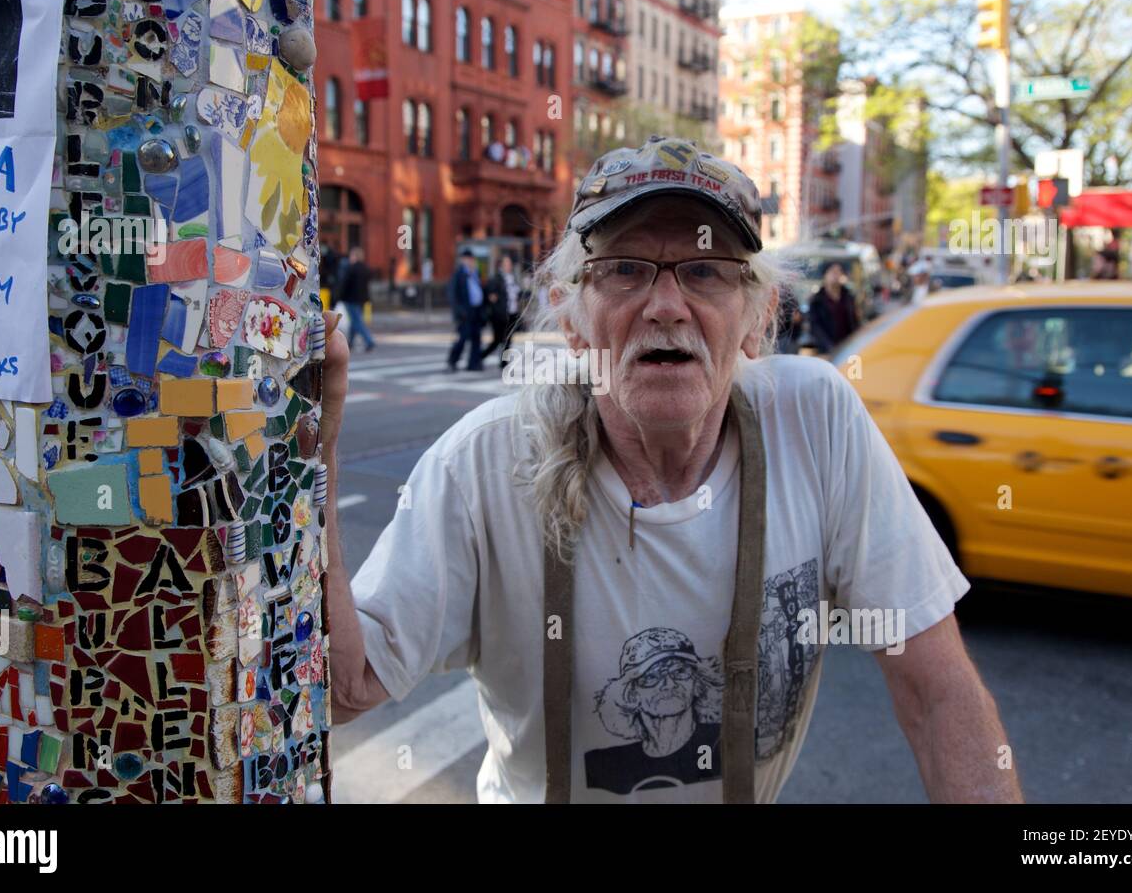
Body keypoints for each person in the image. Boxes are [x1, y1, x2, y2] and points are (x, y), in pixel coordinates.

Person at [321, 135, 1021, 803]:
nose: (664, 305)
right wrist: (310, 457)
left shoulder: (816, 421)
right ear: (571, 316)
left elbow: (937, 696)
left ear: (756, 316)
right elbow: (344, 687)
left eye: (706, 271)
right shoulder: (484, 461)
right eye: (624, 269)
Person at [806, 261, 861, 354]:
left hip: (848, 348)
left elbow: (854, 321)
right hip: (827, 350)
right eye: (833, 272)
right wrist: (829, 347)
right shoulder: (817, 300)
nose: (836, 275)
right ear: (825, 275)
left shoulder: (848, 296)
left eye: (839, 272)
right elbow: (815, 327)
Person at [480, 254, 523, 369]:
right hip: (500, 315)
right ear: (501, 265)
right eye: (506, 264)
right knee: (497, 340)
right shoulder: (496, 278)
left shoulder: (512, 278)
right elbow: (491, 296)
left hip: (512, 313)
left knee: (508, 339)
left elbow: (517, 293)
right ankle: (481, 356)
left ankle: (504, 362)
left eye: (509, 264)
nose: (508, 266)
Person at [446, 251, 485, 371]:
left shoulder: (475, 273)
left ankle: (473, 363)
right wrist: (459, 311)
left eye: (472, 259)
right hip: (465, 313)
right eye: (467, 259)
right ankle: (452, 361)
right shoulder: (458, 275)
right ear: (463, 260)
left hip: (476, 311)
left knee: (476, 338)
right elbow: (452, 294)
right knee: (462, 338)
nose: (470, 261)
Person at [336, 247, 375, 352]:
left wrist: (339, 297)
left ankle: (369, 341)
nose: (350, 257)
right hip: (361, 299)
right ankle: (350, 342)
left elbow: (345, 285)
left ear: (355, 256)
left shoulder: (351, 269)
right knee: (354, 320)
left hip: (351, 298)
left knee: (357, 321)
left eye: (352, 255)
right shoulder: (365, 268)